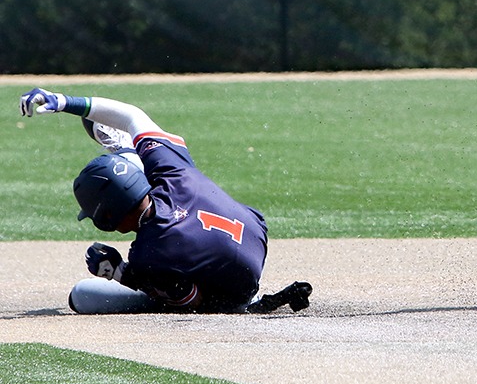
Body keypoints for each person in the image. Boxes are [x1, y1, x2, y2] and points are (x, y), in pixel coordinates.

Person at [18, 87, 311, 313]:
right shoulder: (173, 172)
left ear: (108, 219)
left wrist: (118, 271)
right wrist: (64, 101)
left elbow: (190, 301)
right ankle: (128, 153)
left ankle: (127, 153)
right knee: (164, 165)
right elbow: (132, 115)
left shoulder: (148, 254)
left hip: (235, 295)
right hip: (254, 232)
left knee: (82, 295)